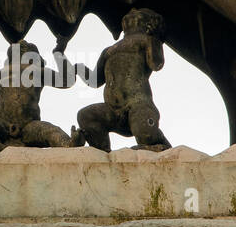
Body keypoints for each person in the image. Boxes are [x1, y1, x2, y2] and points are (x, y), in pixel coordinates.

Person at [0, 40, 82, 157]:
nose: (22, 45)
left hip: (29, 126)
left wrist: (59, 52)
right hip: (2, 124)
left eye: (26, 49)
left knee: (49, 130)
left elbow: (67, 80)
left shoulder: (38, 71)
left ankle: (69, 144)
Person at [73, 9, 171, 152]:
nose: (132, 11)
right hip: (113, 111)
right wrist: (79, 68)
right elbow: (95, 80)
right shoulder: (109, 50)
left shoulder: (146, 40)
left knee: (144, 129)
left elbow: (156, 64)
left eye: (138, 12)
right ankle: (102, 153)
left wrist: (154, 38)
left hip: (138, 106)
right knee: (86, 115)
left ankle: (161, 145)